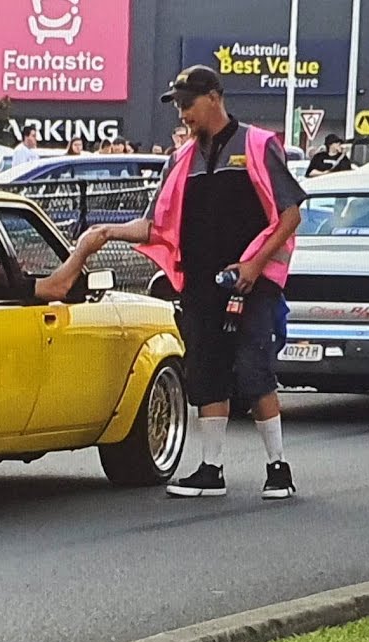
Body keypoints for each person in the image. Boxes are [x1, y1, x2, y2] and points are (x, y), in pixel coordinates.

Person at [77, 65, 307, 500]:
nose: (182, 112)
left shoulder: (257, 145)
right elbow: (155, 224)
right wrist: (105, 233)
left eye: (188, 102)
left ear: (214, 98)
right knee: (206, 371)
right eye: (178, 104)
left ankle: (279, 469)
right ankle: (211, 469)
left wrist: (254, 266)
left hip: (252, 280)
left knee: (253, 368)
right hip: (201, 282)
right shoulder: (181, 160)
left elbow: (291, 213)